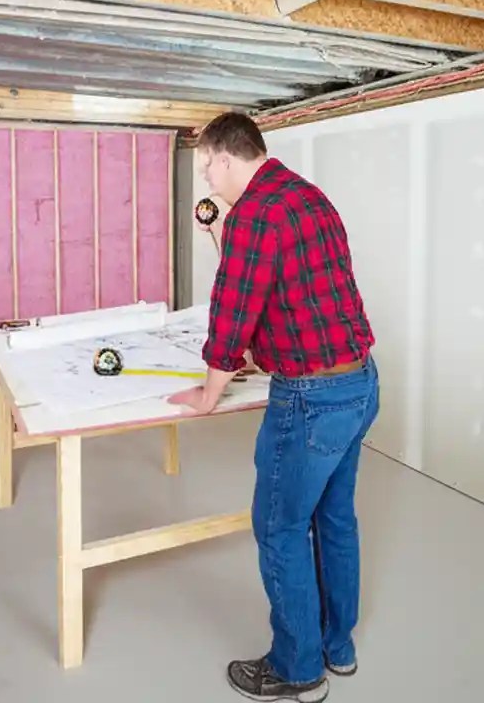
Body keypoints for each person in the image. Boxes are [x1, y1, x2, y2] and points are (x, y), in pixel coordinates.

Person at [168, 112, 379, 702]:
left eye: (207, 167)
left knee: (279, 527)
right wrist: (265, 348)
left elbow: (233, 307)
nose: (208, 180)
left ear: (226, 158)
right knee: (335, 519)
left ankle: (296, 667)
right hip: (359, 382)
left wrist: (211, 390)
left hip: (311, 399)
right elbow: (307, 291)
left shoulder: (256, 214)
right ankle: (338, 648)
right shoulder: (307, 197)